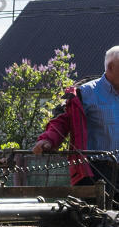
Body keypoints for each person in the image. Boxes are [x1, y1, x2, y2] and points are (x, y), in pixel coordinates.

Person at [32, 45, 119, 190]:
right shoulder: (84, 92)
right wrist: (48, 139)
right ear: (111, 67)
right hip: (96, 172)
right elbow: (63, 120)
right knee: (98, 206)